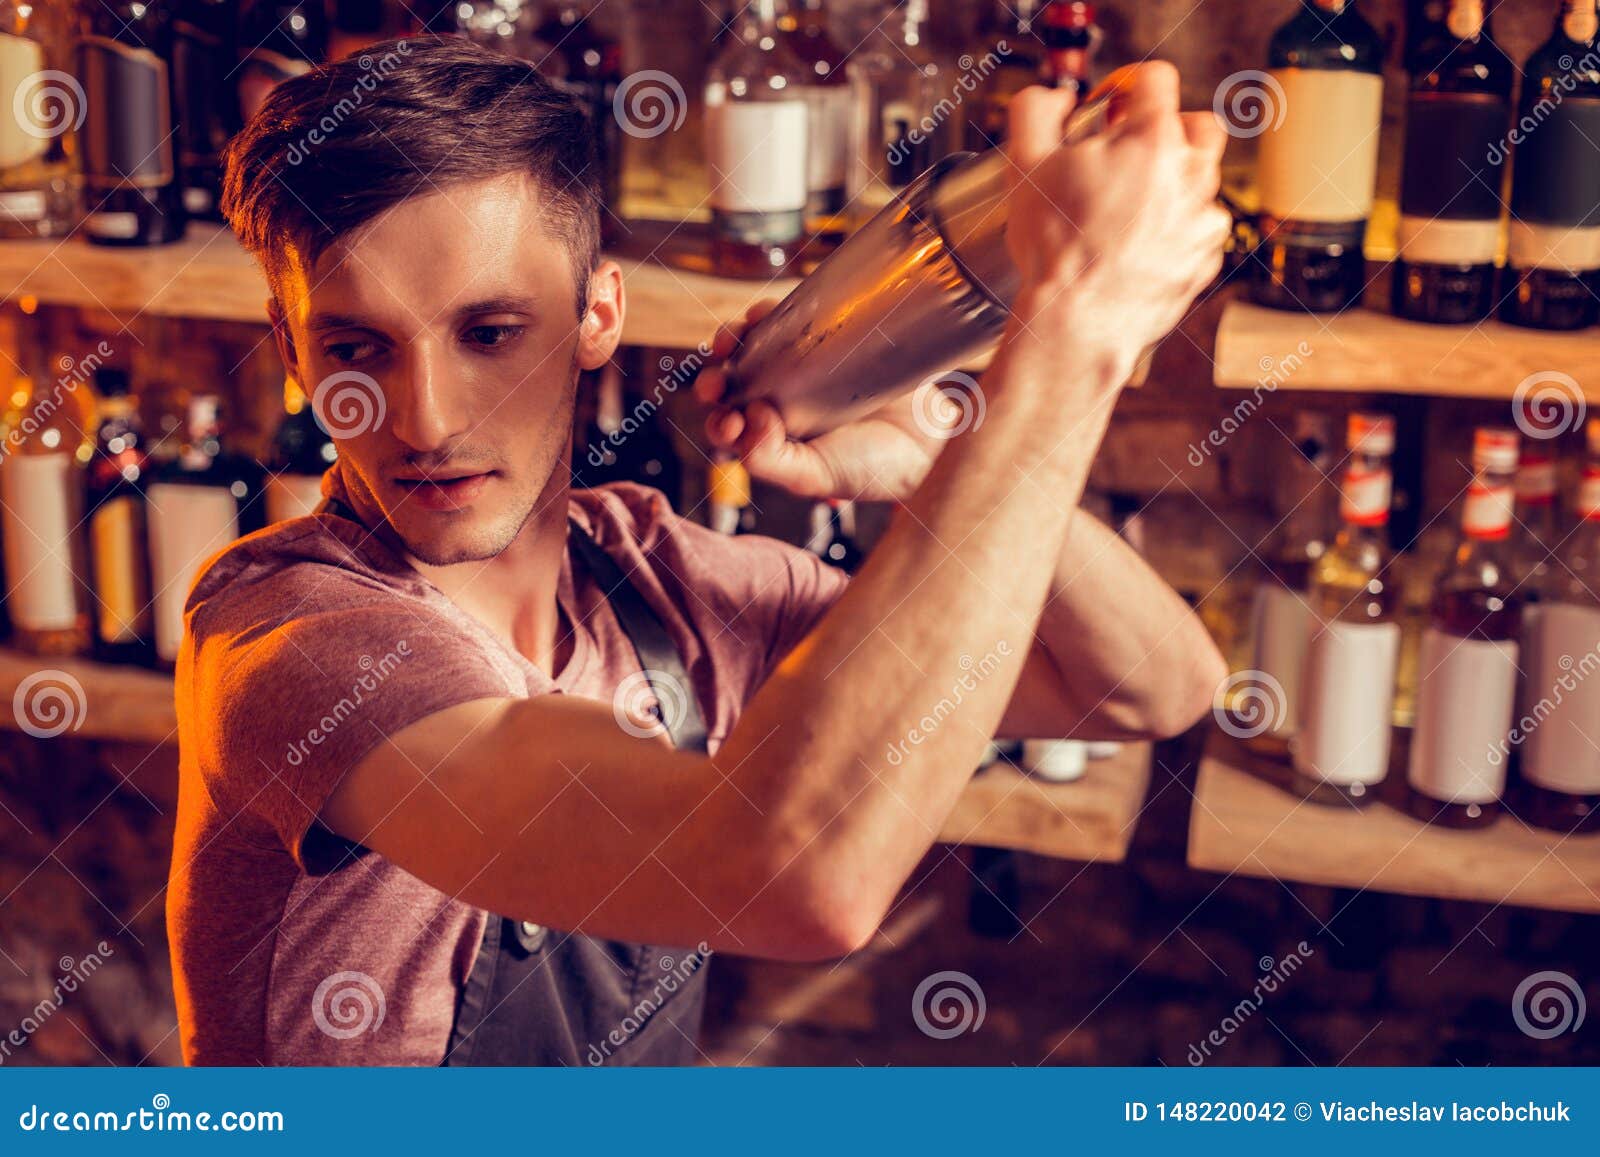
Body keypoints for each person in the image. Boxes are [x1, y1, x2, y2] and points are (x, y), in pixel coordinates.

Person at [166, 35, 1230, 1065]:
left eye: (489, 334)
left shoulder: (660, 582)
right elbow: (796, 875)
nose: (427, 417)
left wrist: (932, 455)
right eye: (356, 349)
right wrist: (1074, 329)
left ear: (597, 315)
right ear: (293, 347)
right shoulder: (296, 642)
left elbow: (1146, 686)